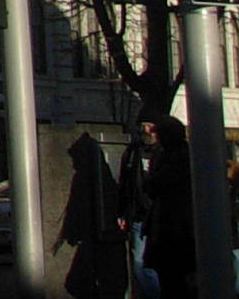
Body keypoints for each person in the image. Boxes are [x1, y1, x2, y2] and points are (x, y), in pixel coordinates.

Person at [58, 130, 127, 299]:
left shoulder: (89, 178)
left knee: (81, 282)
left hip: (100, 238)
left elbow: (77, 207)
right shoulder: (101, 176)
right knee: (97, 283)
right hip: (102, 237)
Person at [144, 118, 196, 299]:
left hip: (176, 233)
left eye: (160, 134)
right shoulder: (172, 155)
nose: (157, 138)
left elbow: (154, 185)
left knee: (175, 283)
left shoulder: (177, 158)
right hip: (172, 232)